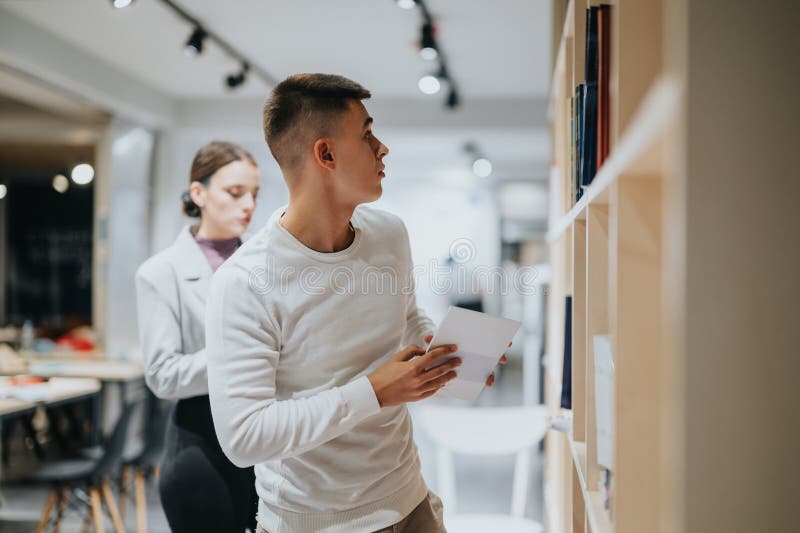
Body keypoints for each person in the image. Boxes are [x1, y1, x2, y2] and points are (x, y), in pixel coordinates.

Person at [205, 74, 506, 533]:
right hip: (314, 524)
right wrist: (374, 392)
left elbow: (408, 320)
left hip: (412, 502)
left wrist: (447, 356)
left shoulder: (389, 233)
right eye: (366, 135)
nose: (382, 148)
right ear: (325, 154)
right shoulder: (244, 282)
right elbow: (244, 437)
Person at [135, 141, 261, 533]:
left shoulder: (267, 264)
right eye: (235, 193)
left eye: (254, 194)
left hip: (268, 444)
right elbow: (162, 375)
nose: (248, 205)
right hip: (201, 448)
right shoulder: (160, 273)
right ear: (198, 193)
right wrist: (243, 355)